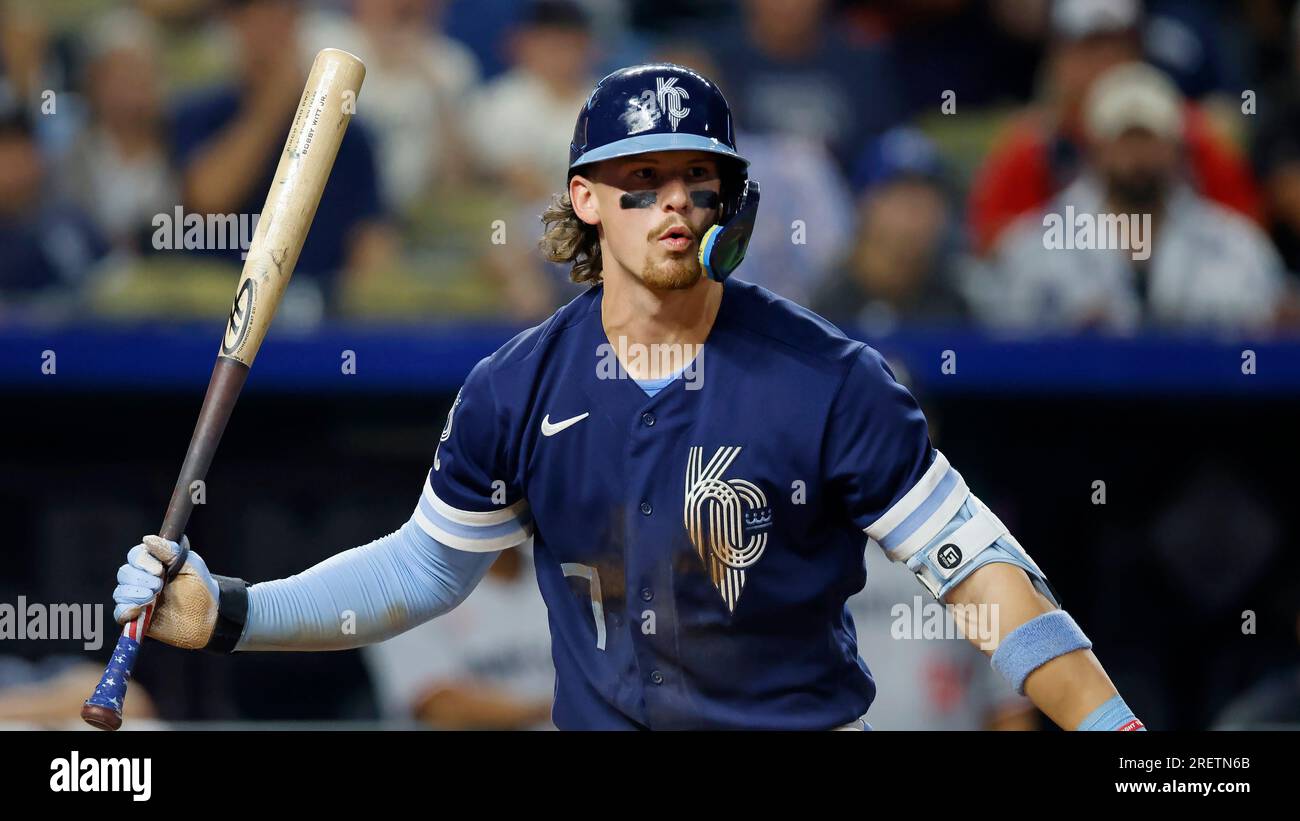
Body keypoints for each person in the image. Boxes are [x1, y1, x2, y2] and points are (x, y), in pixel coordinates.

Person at [107, 63, 1142, 731]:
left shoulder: (830, 381)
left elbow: (985, 576)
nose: (675, 203)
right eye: (641, 180)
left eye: (698, 180)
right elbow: (423, 568)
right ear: (586, 200)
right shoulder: (515, 388)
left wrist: (1113, 735)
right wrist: (235, 608)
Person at [982, 62, 1285, 333]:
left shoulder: (1236, 244)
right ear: (1096, 148)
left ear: (1176, 148)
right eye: (1125, 139)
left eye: (1150, 139)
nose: (1138, 156)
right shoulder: (1034, 245)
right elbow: (1002, 341)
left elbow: (1271, 337)